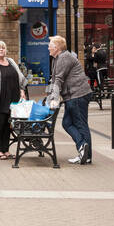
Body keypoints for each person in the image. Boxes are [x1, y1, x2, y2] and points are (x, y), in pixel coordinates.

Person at [46, 35, 93, 165]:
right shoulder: (58, 58)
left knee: (81, 124)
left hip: (77, 95)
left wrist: (54, 99)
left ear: (57, 47)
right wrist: (50, 96)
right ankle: (83, 148)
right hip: (73, 96)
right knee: (67, 123)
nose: (48, 47)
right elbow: (54, 79)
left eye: (50, 45)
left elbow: (59, 80)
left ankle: (86, 155)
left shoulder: (64, 58)